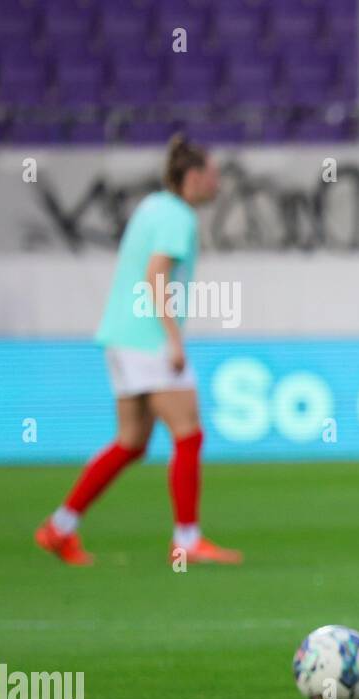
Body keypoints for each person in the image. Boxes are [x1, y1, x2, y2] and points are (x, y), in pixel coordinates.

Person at [35, 135, 242, 567]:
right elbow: (156, 274)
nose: (217, 182)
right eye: (212, 174)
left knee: (131, 442)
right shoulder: (177, 217)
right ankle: (186, 540)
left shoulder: (152, 206)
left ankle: (60, 526)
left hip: (120, 334)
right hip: (148, 339)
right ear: (193, 176)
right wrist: (173, 339)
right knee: (188, 432)